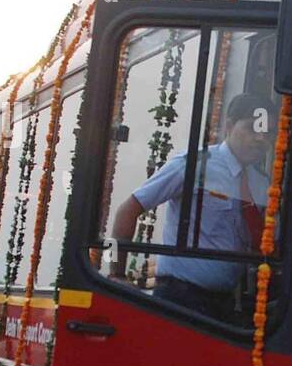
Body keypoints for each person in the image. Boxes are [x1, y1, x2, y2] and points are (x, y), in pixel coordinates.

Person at [110, 93, 274, 320]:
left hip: (226, 306)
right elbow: (126, 211)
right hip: (180, 299)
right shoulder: (194, 165)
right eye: (251, 128)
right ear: (228, 125)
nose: (259, 138)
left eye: (267, 133)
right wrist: (116, 275)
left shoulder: (262, 183)